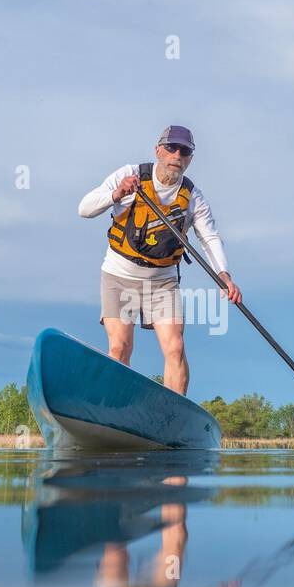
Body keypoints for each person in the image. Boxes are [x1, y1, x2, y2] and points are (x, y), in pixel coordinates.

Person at [77, 125, 242, 395]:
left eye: (184, 151)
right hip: (119, 275)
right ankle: (116, 409)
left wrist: (224, 275)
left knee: (175, 347)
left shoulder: (194, 198)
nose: (176, 155)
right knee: (120, 347)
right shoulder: (129, 175)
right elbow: (84, 209)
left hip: (162, 282)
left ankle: (172, 418)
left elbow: (209, 237)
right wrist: (116, 194)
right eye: (171, 148)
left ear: (190, 158)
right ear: (158, 150)